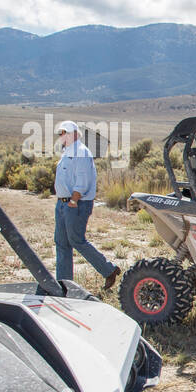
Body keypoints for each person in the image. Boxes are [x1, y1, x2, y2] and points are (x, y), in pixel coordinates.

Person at [53, 120, 120, 290]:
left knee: (76, 240)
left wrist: (73, 201)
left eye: (63, 133)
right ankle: (64, 285)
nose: (61, 136)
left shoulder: (81, 152)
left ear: (73, 134)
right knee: (61, 243)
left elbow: (82, 182)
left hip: (75, 204)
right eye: (60, 133)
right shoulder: (67, 152)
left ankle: (108, 270)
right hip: (63, 204)